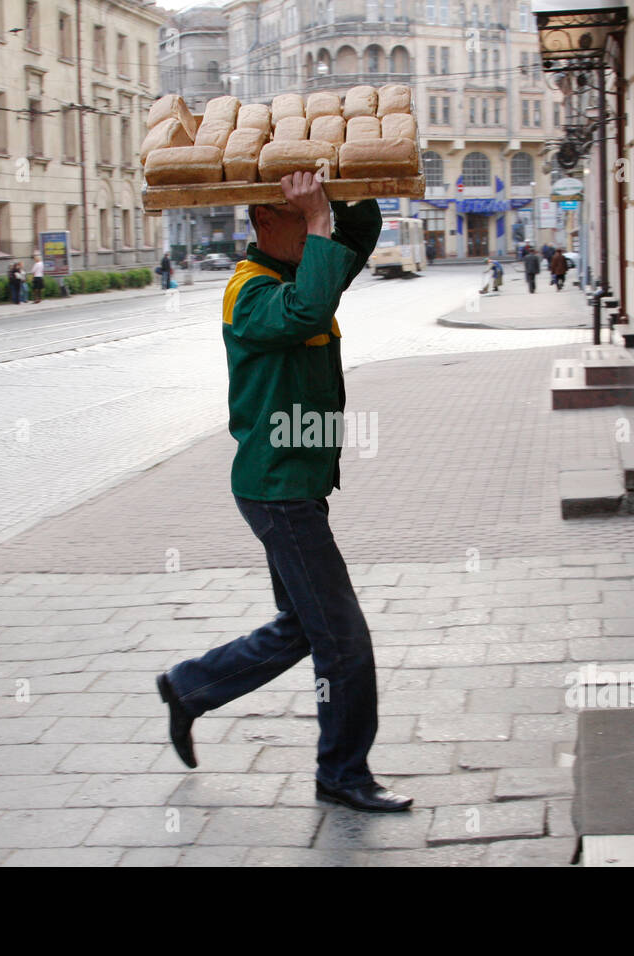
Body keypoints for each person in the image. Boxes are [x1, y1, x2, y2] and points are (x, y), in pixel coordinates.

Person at [155, 172, 413, 814]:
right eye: (303, 218)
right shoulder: (251, 293)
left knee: (303, 626)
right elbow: (304, 310)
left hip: (295, 486)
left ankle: (190, 687)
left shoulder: (304, 277)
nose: (319, 229)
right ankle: (343, 774)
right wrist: (320, 221)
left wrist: (344, 186)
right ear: (269, 221)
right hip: (277, 492)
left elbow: (355, 237)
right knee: (344, 640)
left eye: (316, 218)